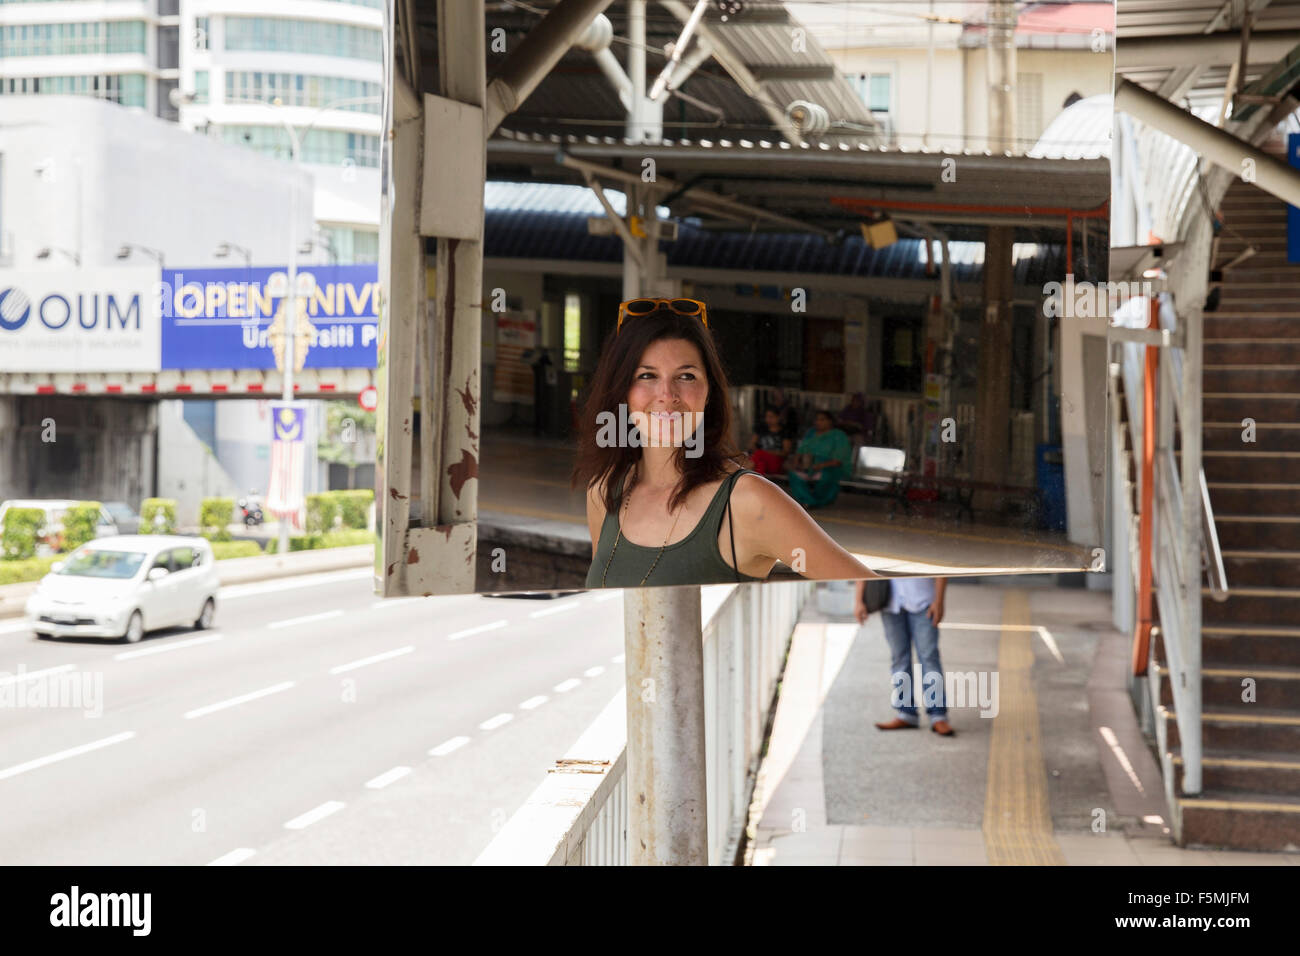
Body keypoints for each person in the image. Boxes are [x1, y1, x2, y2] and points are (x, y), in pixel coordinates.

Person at [572, 297, 880, 588]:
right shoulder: (604, 490)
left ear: (710, 392)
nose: (667, 395)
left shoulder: (747, 501)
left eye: (687, 376)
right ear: (621, 390)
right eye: (647, 375)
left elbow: (878, 592)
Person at [854, 576, 953, 736]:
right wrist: (859, 600)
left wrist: (939, 601)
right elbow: (865, 564)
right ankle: (906, 713)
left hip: (924, 601)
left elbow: (941, 563)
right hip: (890, 603)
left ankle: (938, 715)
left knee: (929, 658)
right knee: (899, 659)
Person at [785, 410, 852, 509]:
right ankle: (808, 500)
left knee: (827, 476)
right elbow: (801, 450)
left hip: (830, 466)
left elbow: (838, 459)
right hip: (809, 465)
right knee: (794, 474)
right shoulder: (811, 433)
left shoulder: (838, 436)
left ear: (830, 421)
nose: (818, 422)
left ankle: (817, 501)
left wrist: (820, 465)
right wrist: (796, 462)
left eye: (822, 420)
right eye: (816, 420)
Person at [747, 406, 792, 476]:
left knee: (759, 455)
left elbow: (785, 453)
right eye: (767, 417)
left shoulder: (785, 432)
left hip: (776, 462)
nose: (768, 420)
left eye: (771, 417)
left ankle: (747, 475)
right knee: (760, 464)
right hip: (760, 460)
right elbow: (751, 445)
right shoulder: (761, 429)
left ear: (778, 417)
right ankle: (759, 482)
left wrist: (766, 453)